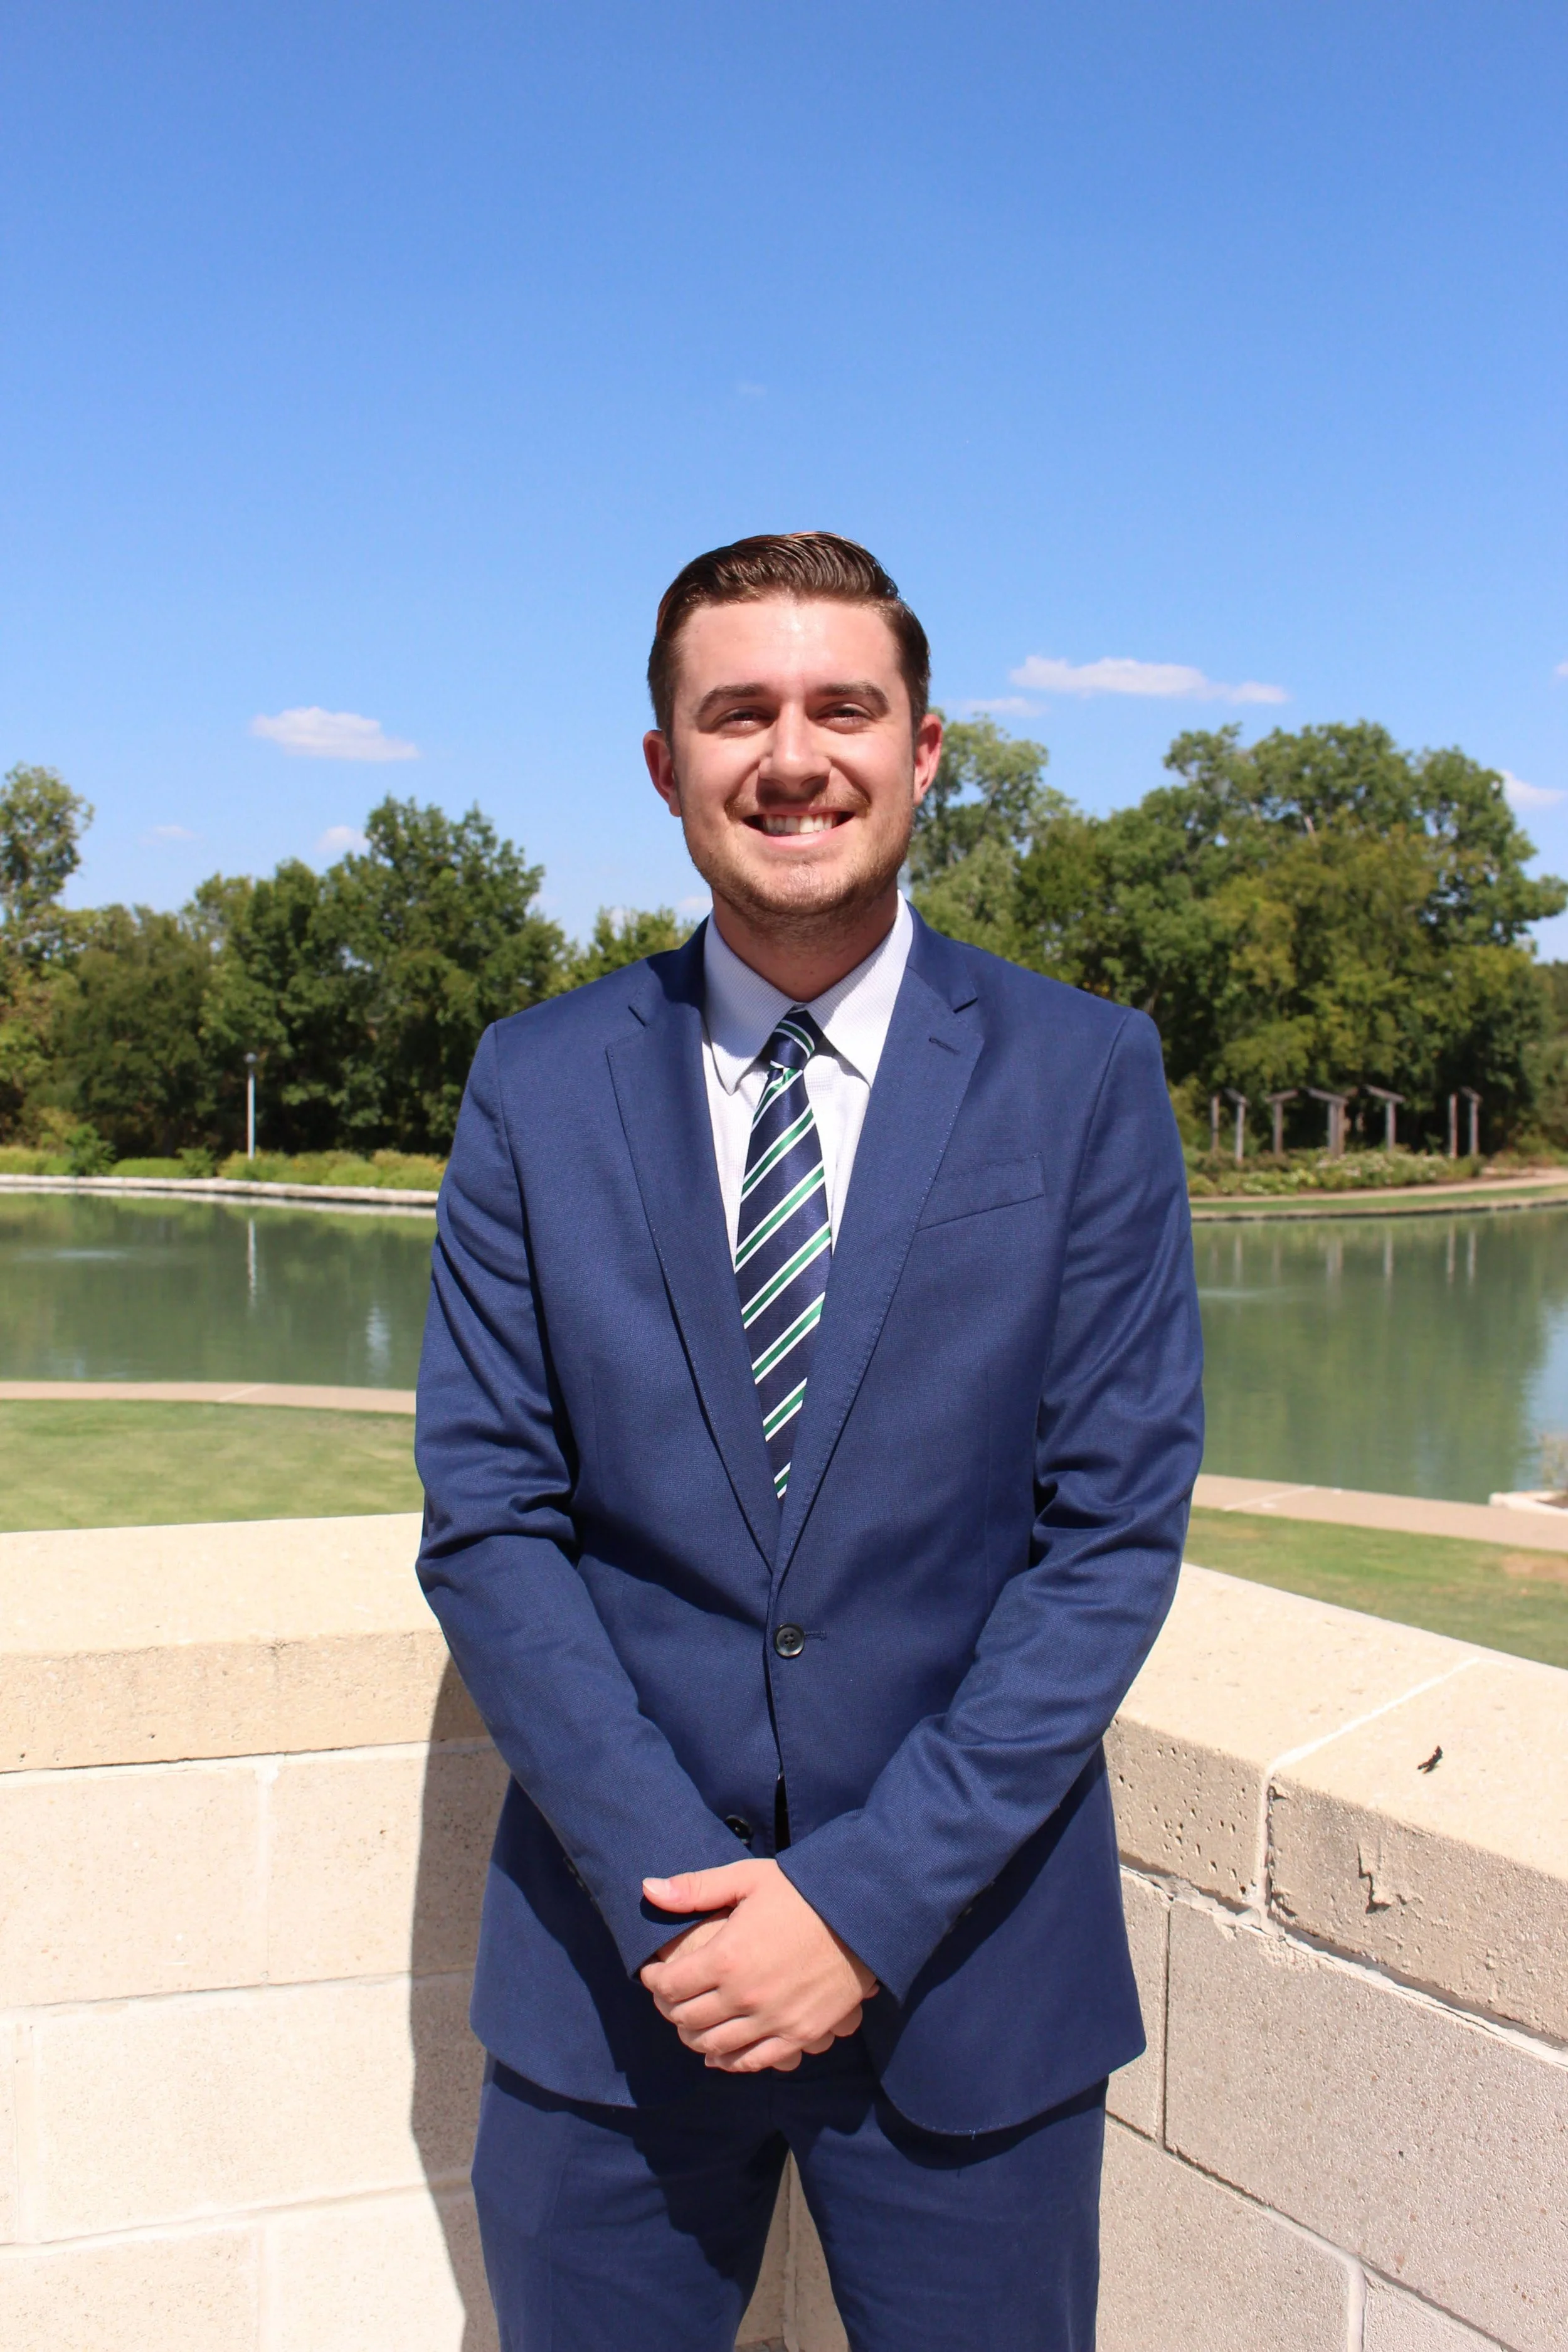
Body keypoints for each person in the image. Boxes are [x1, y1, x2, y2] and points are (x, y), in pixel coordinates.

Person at [415, 531, 1204, 2351]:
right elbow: (492, 1522)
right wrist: (688, 1914)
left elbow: (1106, 1539)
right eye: (737, 713)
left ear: (922, 749)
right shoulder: (533, 1080)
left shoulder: (1083, 1074)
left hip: (972, 1984)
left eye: (843, 708)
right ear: (663, 762)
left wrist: (857, 1905)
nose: (792, 758)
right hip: (620, 1988)